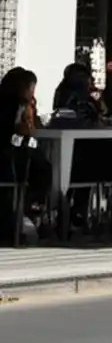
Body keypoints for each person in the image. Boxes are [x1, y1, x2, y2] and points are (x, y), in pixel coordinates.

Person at [1, 67, 51, 239]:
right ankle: (34, 208)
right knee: (42, 167)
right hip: (8, 159)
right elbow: (21, 132)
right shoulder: (16, 106)